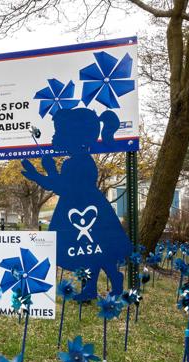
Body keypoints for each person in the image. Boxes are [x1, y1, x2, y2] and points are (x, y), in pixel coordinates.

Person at [21, 108, 131, 300]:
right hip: (80, 209)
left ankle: (114, 278)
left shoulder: (79, 162)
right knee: (90, 252)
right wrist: (43, 173)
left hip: (88, 211)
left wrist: (44, 172)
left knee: (97, 250)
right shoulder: (74, 161)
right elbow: (62, 185)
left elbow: (64, 187)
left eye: (59, 131)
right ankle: (91, 288)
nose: (55, 136)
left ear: (74, 136)